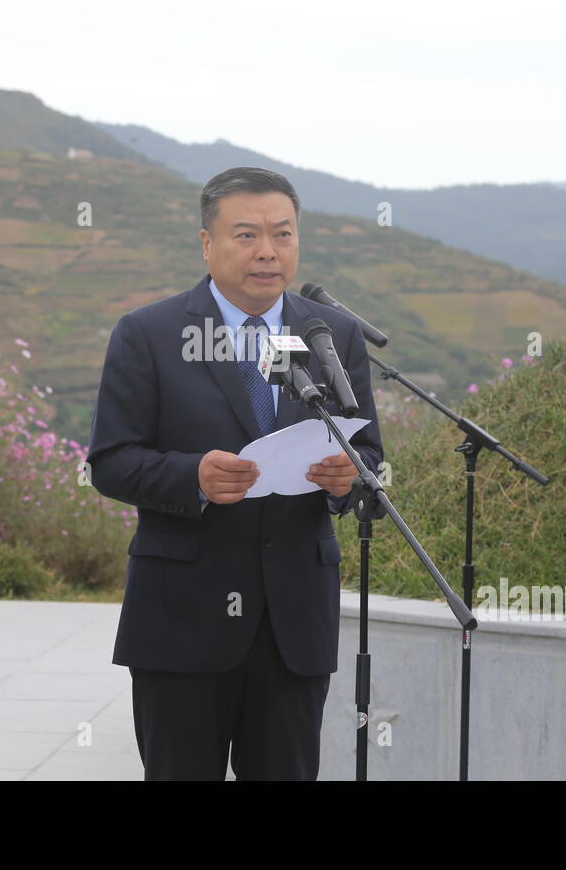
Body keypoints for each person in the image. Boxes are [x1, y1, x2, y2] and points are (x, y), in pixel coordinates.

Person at [87, 166, 384, 780]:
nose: (268, 252)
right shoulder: (151, 334)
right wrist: (192, 476)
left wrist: (345, 480)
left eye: (282, 234)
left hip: (292, 625)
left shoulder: (332, 336)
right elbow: (111, 462)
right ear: (206, 243)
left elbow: (370, 458)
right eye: (246, 235)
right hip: (182, 621)